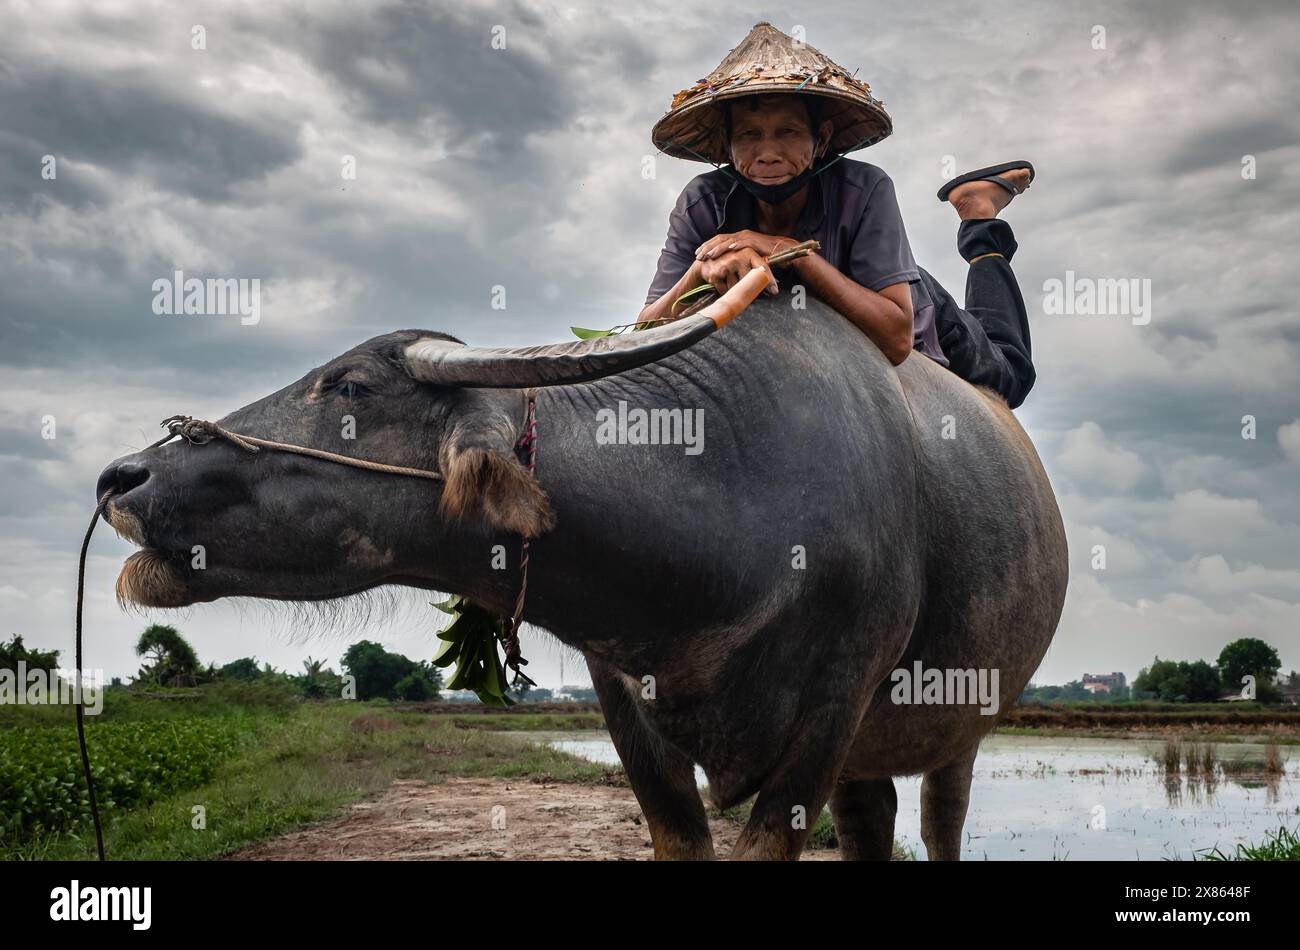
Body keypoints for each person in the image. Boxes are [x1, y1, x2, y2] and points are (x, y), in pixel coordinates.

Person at [644, 22, 1036, 408]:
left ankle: (979, 218)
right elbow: (645, 329)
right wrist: (699, 271)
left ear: (822, 139)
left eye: (788, 132)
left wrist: (790, 251)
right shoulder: (703, 202)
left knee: (1010, 377)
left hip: (907, 300)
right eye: (748, 135)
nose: (767, 152)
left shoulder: (864, 188)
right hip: (807, 350)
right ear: (728, 146)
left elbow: (897, 339)